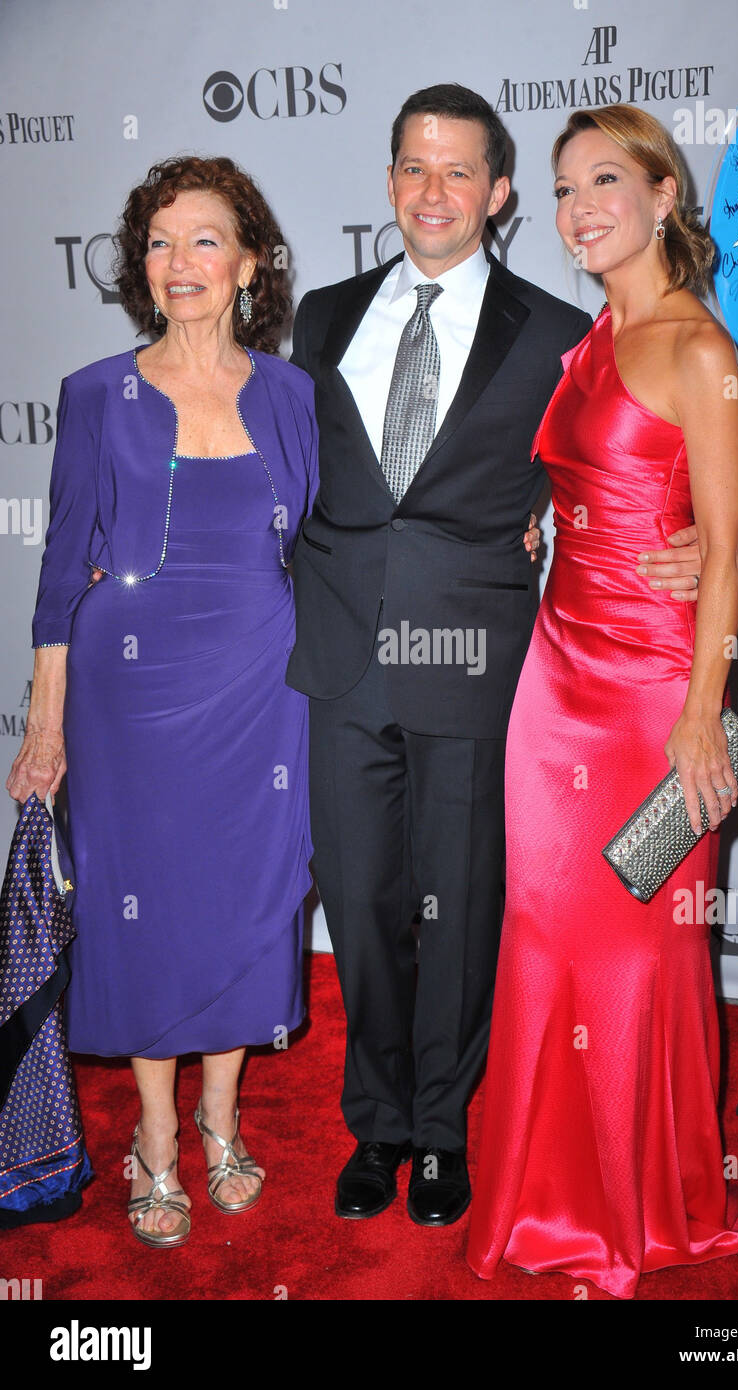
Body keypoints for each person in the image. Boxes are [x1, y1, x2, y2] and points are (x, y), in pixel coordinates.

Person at [286, 84, 702, 1226]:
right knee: (362, 906)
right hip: (337, 658)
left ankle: (438, 1130)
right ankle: (375, 1120)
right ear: (388, 181)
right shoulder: (320, 318)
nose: (434, 191)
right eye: (414, 167)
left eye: (459, 171)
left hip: (477, 660)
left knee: (456, 907)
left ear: (499, 192)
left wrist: (703, 538)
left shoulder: (565, 336)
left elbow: (629, 460)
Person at [466, 105, 738, 1296]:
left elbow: (729, 551)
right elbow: (584, 480)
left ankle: (636, 1207)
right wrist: (559, 516)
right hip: (554, 686)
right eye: (566, 186)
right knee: (543, 936)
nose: (582, 207)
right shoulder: (592, 336)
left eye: (607, 181)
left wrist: (701, 711)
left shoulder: (701, 351)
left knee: (641, 951)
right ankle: (542, 1193)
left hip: (649, 701)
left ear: (663, 196)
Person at [6, 156, 318, 1247]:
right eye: (158, 242)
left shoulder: (290, 393)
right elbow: (61, 569)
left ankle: (224, 1121)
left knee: (245, 902)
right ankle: (154, 1137)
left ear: (246, 264)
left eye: (203, 240)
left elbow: (332, 536)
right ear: (140, 267)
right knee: (145, 906)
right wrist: (46, 723)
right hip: (128, 691)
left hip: (262, 683)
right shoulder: (99, 391)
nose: (179, 262)